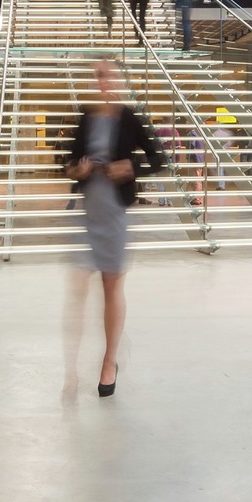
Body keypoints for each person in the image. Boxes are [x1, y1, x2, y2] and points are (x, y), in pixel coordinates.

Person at [62, 61, 166, 398]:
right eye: (99, 76)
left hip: (115, 211)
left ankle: (109, 361)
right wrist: (77, 170)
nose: (104, 81)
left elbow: (159, 159)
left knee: (110, 285)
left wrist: (131, 167)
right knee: (78, 286)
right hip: (88, 211)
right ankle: (71, 367)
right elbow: (67, 163)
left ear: (120, 81)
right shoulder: (86, 116)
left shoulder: (129, 117)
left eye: (109, 75)